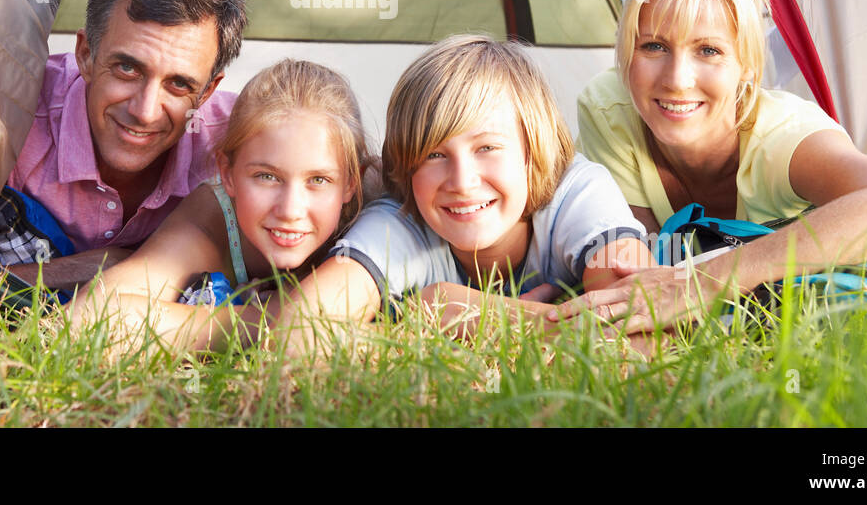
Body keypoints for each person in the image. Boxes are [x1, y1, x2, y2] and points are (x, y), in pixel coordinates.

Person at [554, 0, 867, 333]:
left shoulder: (783, 135)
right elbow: (634, 281)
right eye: (653, 46)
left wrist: (706, 282)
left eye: (709, 50)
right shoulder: (610, 109)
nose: (677, 79)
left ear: (746, 64)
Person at [271, 35, 650, 351]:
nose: (463, 181)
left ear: (531, 150)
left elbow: (644, 321)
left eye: (486, 148)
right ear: (408, 168)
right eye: (435, 154)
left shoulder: (579, 194)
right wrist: (424, 321)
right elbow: (301, 327)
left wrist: (455, 310)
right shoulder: (402, 219)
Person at [69, 59, 372, 352]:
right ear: (227, 174)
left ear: (351, 183)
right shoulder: (215, 221)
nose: (290, 210)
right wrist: (269, 319)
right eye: (267, 177)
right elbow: (92, 317)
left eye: (318, 180)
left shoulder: (378, 208)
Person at [0, 0, 247, 290]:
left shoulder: (240, 144)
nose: (145, 112)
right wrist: (96, 266)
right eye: (128, 69)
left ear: (208, 91)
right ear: (85, 54)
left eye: (179, 84)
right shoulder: (7, 114)